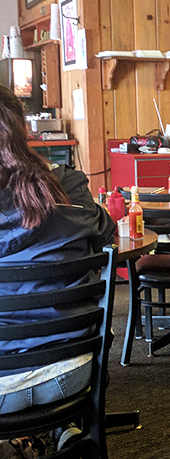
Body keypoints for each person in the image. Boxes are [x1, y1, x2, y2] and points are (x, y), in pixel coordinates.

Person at [0, 86, 116, 415]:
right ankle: (63, 426)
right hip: (71, 371)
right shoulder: (71, 187)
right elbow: (105, 233)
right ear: (25, 129)